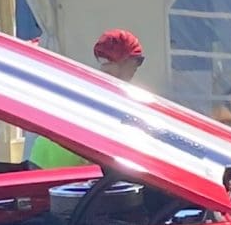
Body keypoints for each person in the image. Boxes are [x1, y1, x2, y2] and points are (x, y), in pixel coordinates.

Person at [28, 29, 145, 169]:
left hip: (39, 158)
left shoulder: (86, 85)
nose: (137, 67)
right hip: (67, 171)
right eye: (137, 60)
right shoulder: (115, 96)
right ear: (126, 60)